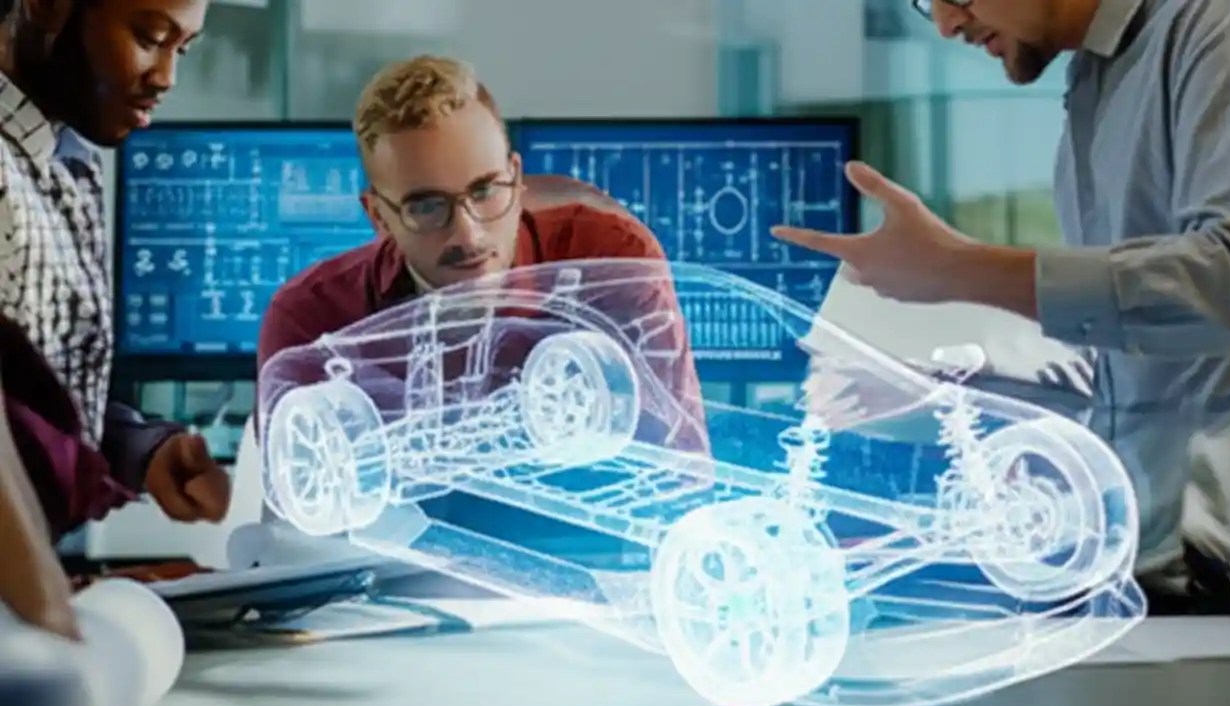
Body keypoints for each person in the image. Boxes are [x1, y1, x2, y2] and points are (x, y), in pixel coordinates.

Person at [773, 0, 1230, 601]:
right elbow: (1134, 362)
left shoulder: (1228, 23)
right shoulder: (1097, 76)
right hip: (1137, 561)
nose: (945, 23)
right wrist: (943, 385)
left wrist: (958, 269)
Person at [256, 54, 705, 443]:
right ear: (378, 216)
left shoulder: (611, 259)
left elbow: (676, 466)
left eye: (486, 190)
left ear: (515, 175)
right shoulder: (311, 319)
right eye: (427, 206)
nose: (468, 235)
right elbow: (298, 524)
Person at [0, 0, 231, 640]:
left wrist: (138, 448)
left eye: (181, 49)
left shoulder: (68, 158)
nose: (166, 77)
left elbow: (36, 391)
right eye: (151, 37)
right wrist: (51, 616)